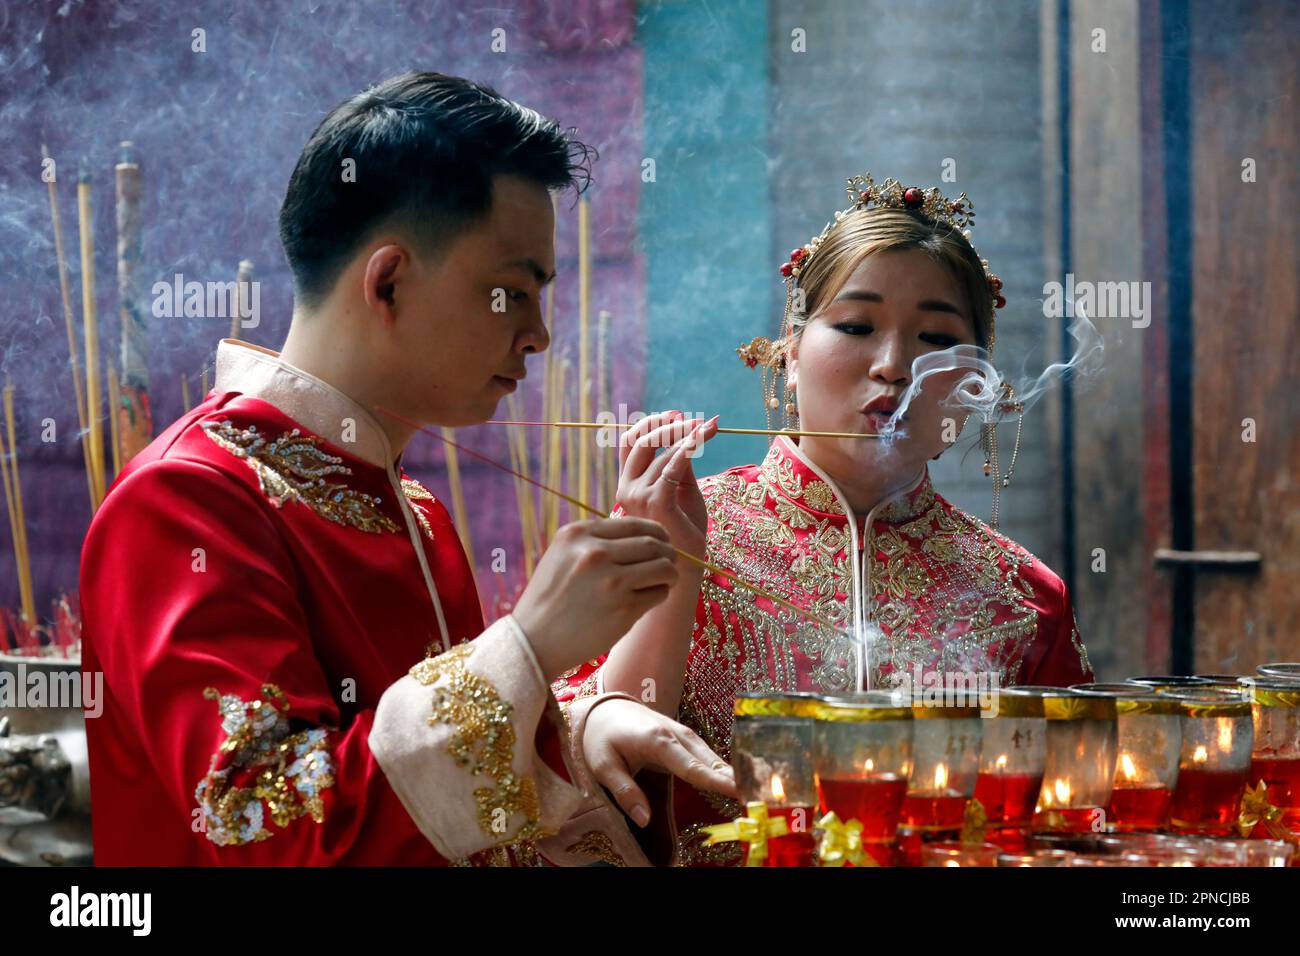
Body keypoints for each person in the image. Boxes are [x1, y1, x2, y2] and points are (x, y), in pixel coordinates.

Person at [78, 71, 733, 867]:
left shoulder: (412, 507)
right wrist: (524, 647)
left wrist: (583, 721)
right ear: (387, 280)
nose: (538, 336)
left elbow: (457, 811)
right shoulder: (185, 501)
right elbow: (269, 826)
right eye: (510, 294)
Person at [554, 173, 1095, 865]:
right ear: (789, 350)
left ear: (975, 385)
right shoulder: (678, 523)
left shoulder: (1022, 596)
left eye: (936, 337)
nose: (895, 366)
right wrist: (675, 570)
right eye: (855, 326)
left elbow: (1073, 824)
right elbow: (587, 789)